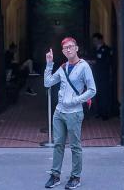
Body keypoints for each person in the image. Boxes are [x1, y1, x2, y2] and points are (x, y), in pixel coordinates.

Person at [43, 37, 96, 189]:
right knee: (58, 144)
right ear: (63, 51)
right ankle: (55, 175)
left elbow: (92, 90)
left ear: (76, 48)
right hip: (59, 112)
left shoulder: (84, 66)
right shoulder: (63, 67)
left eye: (71, 46)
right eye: (65, 48)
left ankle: (75, 177)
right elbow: (47, 83)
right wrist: (49, 63)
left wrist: (76, 100)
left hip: (74, 112)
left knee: (75, 146)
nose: (68, 49)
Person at [91, 33, 114, 120]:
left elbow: (107, 62)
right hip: (96, 75)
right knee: (98, 94)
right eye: (94, 41)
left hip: (104, 76)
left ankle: (105, 114)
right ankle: (99, 112)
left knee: (104, 95)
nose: (94, 42)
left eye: (96, 40)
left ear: (100, 40)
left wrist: (96, 63)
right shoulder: (94, 50)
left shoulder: (106, 49)